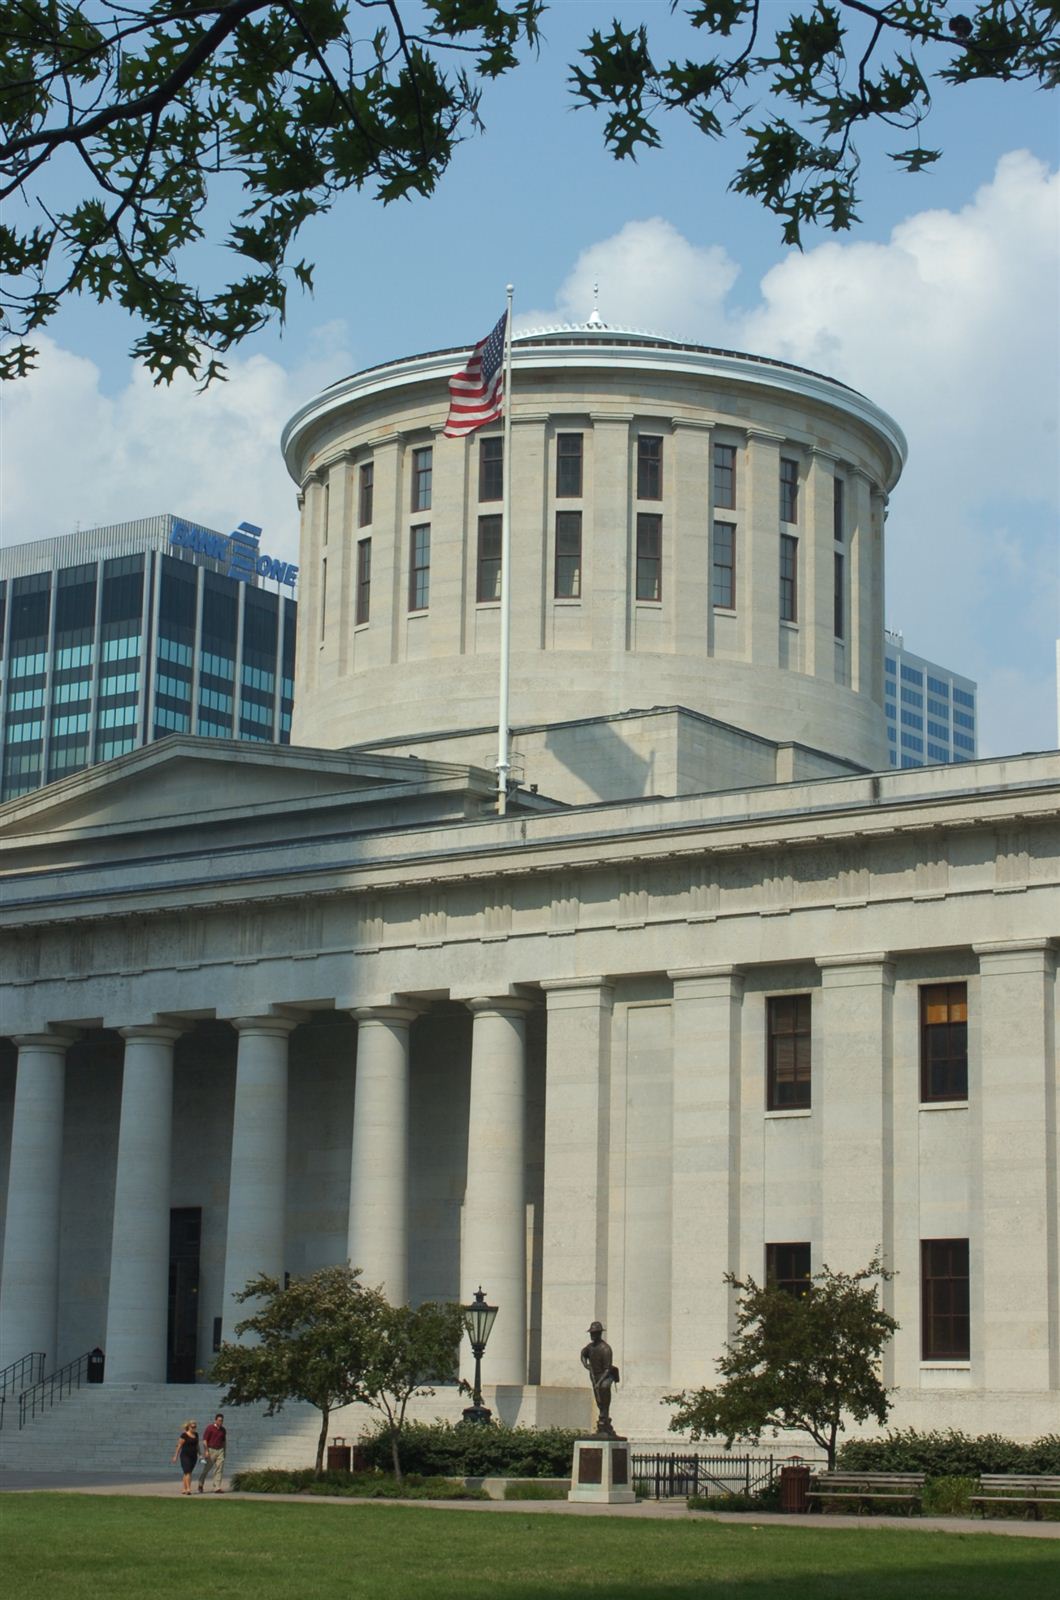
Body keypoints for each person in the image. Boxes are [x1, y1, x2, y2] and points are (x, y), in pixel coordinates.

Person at [580, 1320, 619, 1436]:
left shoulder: (605, 1349)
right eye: (591, 1333)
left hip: (606, 1375)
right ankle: (603, 1417)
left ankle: (604, 1417)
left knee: (604, 1388)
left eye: (594, 1333)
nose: (592, 1335)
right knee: (598, 1399)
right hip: (595, 1375)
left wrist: (600, 1382)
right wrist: (585, 1364)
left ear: (599, 1334)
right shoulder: (590, 1347)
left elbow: (607, 1370)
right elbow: (582, 1354)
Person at [198, 1413, 227, 1493]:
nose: (220, 1422)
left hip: (220, 1450)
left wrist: (224, 1451)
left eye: (221, 1420)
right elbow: (204, 1440)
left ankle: (217, 1487)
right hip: (211, 1450)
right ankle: (200, 1483)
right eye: (219, 1420)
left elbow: (224, 1441)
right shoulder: (210, 1428)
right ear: (215, 1420)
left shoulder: (223, 1430)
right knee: (207, 1469)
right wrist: (206, 1451)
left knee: (219, 1469)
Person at [171, 1420, 200, 1495]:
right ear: (189, 1427)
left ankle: (184, 1488)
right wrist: (175, 1456)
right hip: (185, 1456)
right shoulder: (184, 1435)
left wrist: (200, 1454)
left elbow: (197, 1445)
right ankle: (188, 1489)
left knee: (187, 1473)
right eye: (192, 1427)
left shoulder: (196, 1434)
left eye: (195, 1427)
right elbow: (179, 1446)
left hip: (193, 1456)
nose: (194, 1428)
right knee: (188, 1472)